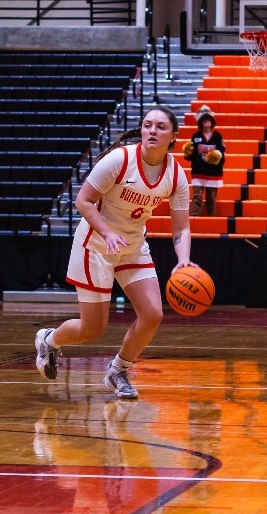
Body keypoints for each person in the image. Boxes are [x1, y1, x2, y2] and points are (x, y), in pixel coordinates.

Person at [36, 105, 195, 401]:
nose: (152, 131)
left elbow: (181, 228)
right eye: (148, 125)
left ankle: (118, 369)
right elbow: (83, 201)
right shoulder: (120, 160)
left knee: (152, 314)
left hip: (132, 245)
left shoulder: (175, 175)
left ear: (174, 136)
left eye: (161, 127)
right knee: (92, 329)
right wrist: (107, 233)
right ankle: (49, 340)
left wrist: (183, 259)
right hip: (96, 244)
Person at [184, 108, 226, 217]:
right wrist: (187, 153)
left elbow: (222, 153)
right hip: (198, 172)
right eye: (204, 120)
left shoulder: (217, 136)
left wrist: (218, 155)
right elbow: (190, 156)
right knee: (197, 197)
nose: (207, 122)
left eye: (209, 120)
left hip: (213, 173)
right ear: (200, 123)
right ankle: (193, 221)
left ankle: (211, 223)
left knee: (211, 199)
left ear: (212, 122)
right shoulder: (196, 136)